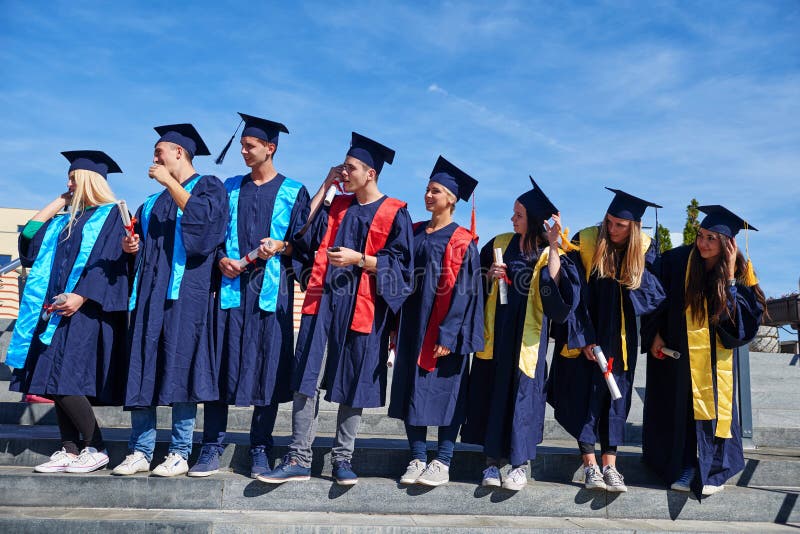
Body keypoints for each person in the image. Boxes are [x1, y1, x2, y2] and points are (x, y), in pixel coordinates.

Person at [259, 132, 413, 486]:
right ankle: (298, 455)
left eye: (350, 167)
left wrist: (360, 259)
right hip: (323, 298)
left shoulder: (394, 212)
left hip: (363, 305)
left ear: (370, 173)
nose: (345, 172)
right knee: (306, 375)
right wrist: (327, 182)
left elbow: (403, 268)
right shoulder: (337, 204)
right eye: (343, 167)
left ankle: (342, 458)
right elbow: (302, 234)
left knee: (353, 379)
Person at [188, 113, 310, 478]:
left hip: (271, 297)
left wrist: (283, 246)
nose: (243, 150)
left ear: (270, 148)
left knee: (268, 368)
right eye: (242, 145)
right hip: (230, 292)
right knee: (220, 363)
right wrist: (221, 258)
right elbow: (211, 235)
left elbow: (306, 247)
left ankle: (260, 446)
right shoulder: (228, 188)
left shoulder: (294, 192)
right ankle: (211, 444)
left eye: (250, 145)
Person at [113, 124, 228, 477]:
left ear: (179, 153)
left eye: (159, 152)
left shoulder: (209, 186)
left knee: (182, 368)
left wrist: (169, 182)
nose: (153, 159)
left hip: (187, 295)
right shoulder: (151, 203)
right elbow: (146, 246)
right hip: (149, 296)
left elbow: (205, 231)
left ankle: (179, 451)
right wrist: (132, 248)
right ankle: (140, 450)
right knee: (143, 367)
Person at [7, 150, 128, 473]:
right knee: (49, 379)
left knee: (65, 381)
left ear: (89, 181)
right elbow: (28, 239)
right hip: (53, 312)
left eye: (73, 179)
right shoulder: (63, 221)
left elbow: (111, 264)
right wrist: (60, 200)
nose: (69, 182)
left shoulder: (111, 215)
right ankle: (70, 449)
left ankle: (96, 447)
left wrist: (82, 296)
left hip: (85, 314)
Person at [461, 177, 580, 490]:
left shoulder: (549, 253)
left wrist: (554, 245)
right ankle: (490, 463)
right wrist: (489, 275)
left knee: (524, 397)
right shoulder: (500, 243)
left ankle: (518, 465)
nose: (512, 219)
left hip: (529, 339)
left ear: (533, 221)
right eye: (513, 214)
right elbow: (470, 277)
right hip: (497, 334)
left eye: (518, 215)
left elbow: (557, 295)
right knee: (495, 392)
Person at [547, 188, 665, 493]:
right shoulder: (586, 241)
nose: (611, 229)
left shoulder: (646, 248)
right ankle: (590, 466)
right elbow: (574, 294)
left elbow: (653, 296)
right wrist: (584, 338)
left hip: (621, 339)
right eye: (609, 222)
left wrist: (631, 262)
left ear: (634, 228)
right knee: (584, 398)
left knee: (617, 399)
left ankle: (611, 466)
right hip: (586, 335)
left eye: (619, 226)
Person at [642, 205, 765, 497]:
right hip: (678, 353)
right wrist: (655, 333)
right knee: (679, 409)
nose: (704, 243)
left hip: (715, 357)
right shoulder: (677, 260)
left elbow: (745, 321)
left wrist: (732, 278)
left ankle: (715, 469)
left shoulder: (743, 270)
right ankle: (683, 466)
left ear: (728, 244)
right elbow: (654, 295)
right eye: (701, 235)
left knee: (715, 413)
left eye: (712, 238)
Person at [387, 156, 483, 487]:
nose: (428, 196)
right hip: (413, 324)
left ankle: (442, 460)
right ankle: (416, 457)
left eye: (436, 191)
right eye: (427, 190)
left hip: (445, 329)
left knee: (447, 391)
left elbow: (466, 291)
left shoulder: (462, 240)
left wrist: (449, 333)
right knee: (412, 388)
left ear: (452, 199)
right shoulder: (412, 232)